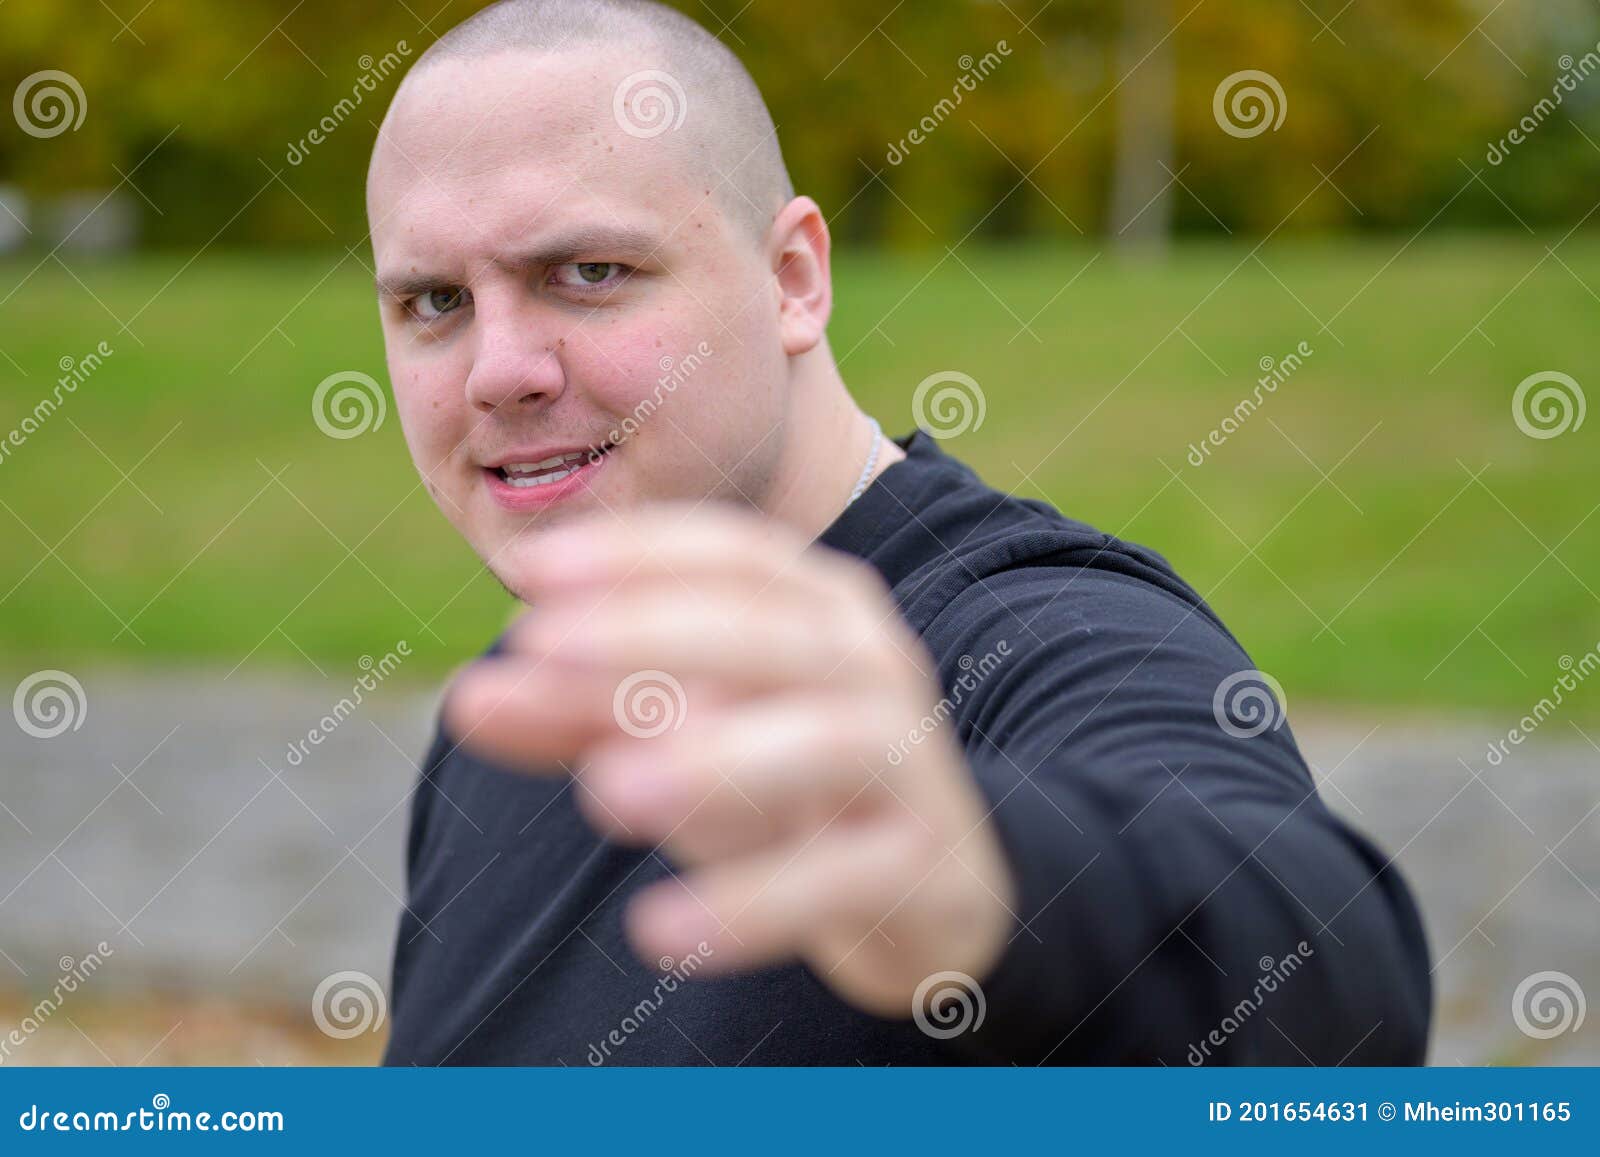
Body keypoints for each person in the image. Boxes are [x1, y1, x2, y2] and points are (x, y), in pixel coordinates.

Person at [365, 0, 1430, 1065]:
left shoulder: (1051, 634)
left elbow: (1332, 975)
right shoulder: (522, 695)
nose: (498, 370)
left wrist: (988, 890)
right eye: (433, 300)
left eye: (588, 273)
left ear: (793, 279)